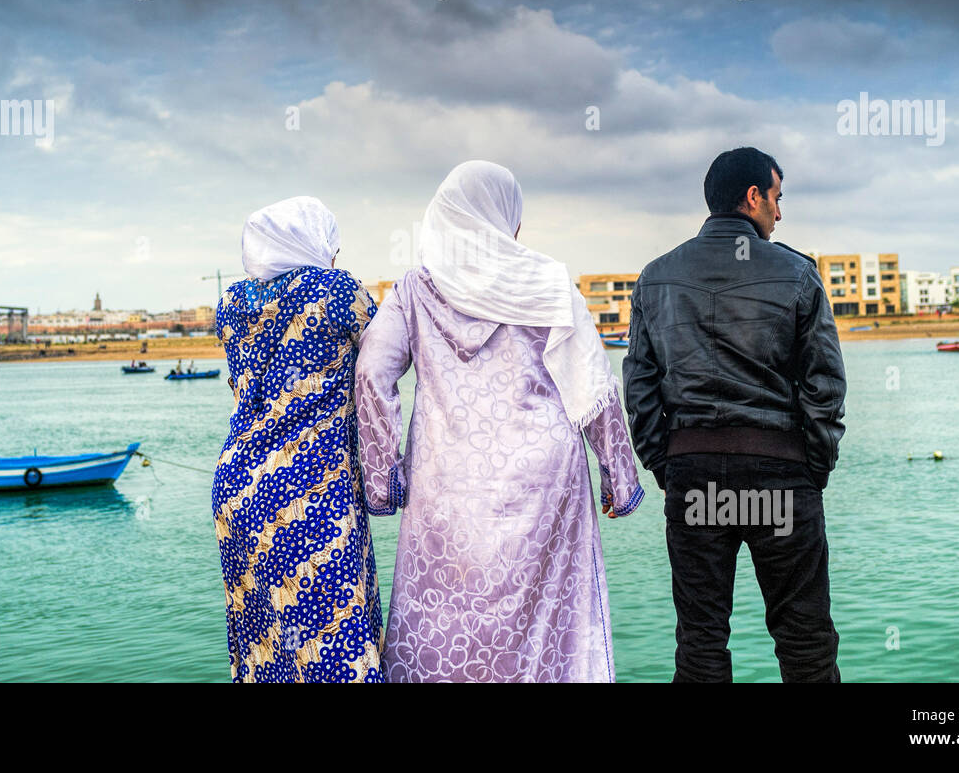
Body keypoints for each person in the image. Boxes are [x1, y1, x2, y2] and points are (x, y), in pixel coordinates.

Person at [354, 160, 644, 682]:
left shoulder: (414, 290)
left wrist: (382, 479)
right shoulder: (548, 282)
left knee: (446, 623)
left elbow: (373, 373)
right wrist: (619, 479)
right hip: (545, 484)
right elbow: (594, 385)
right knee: (548, 628)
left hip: (447, 484)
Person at [624, 147, 846, 682]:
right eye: (776, 198)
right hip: (781, 480)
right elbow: (825, 385)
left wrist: (667, 463)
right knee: (805, 642)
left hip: (694, 479)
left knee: (700, 643)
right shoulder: (797, 274)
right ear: (753, 197)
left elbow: (639, 387)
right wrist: (812, 469)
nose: (779, 212)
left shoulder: (656, 278)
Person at [211, 196, 383, 682]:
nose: (334, 256)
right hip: (309, 494)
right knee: (336, 649)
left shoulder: (230, 304)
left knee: (265, 651)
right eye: (331, 245)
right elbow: (391, 349)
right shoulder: (336, 290)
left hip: (237, 489)